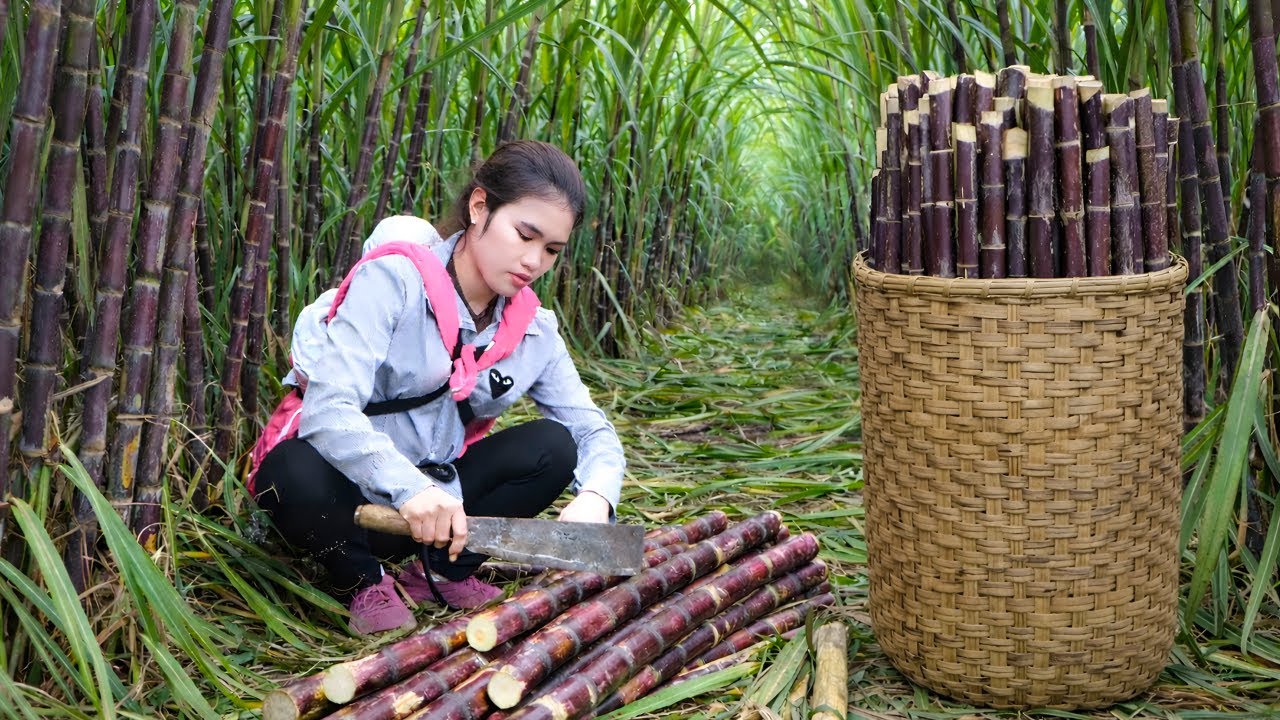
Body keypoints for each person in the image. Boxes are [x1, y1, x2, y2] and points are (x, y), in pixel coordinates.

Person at [250, 141, 624, 635]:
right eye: (524, 235)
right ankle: (362, 581)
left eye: (551, 250)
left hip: (440, 516)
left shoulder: (534, 331)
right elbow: (328, 410)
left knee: (554, 447)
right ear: (478, 207)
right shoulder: (394, 280)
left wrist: (597, 496)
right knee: (289, 469)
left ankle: (441, 573)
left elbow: (591, 429)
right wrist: (410, 489)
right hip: (350, 507)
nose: (533, 261)